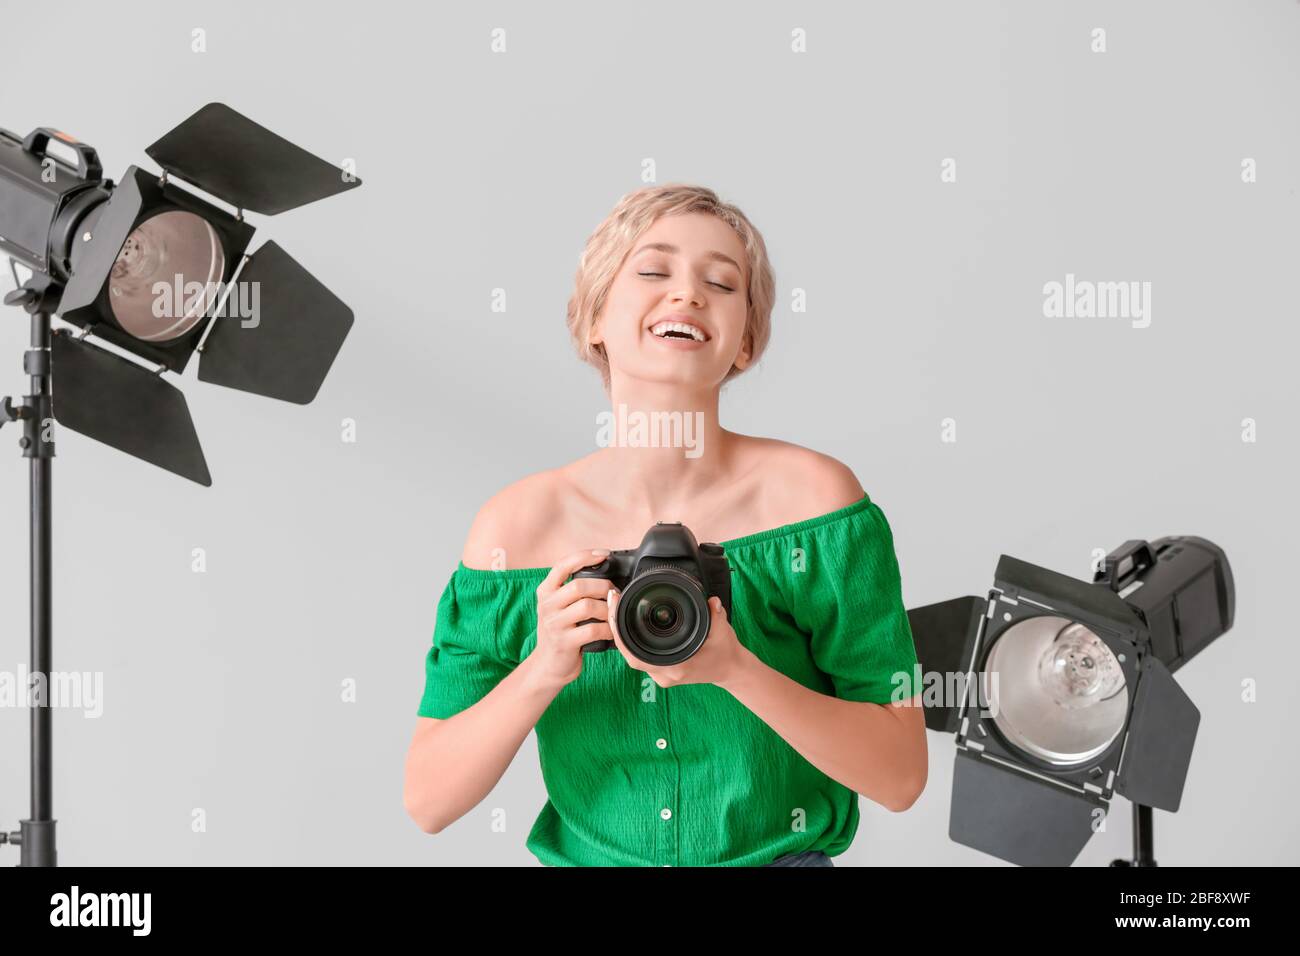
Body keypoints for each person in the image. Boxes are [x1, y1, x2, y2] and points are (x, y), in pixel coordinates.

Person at [403, 183, 927, 866]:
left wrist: (737, 670)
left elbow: (900, 775)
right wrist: (544, 667)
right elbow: (429, 800)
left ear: (745, 342)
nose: (687, 294)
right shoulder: (516, 528)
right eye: (653, 271)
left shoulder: (817, 503)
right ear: (594, 317)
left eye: (722, 283)